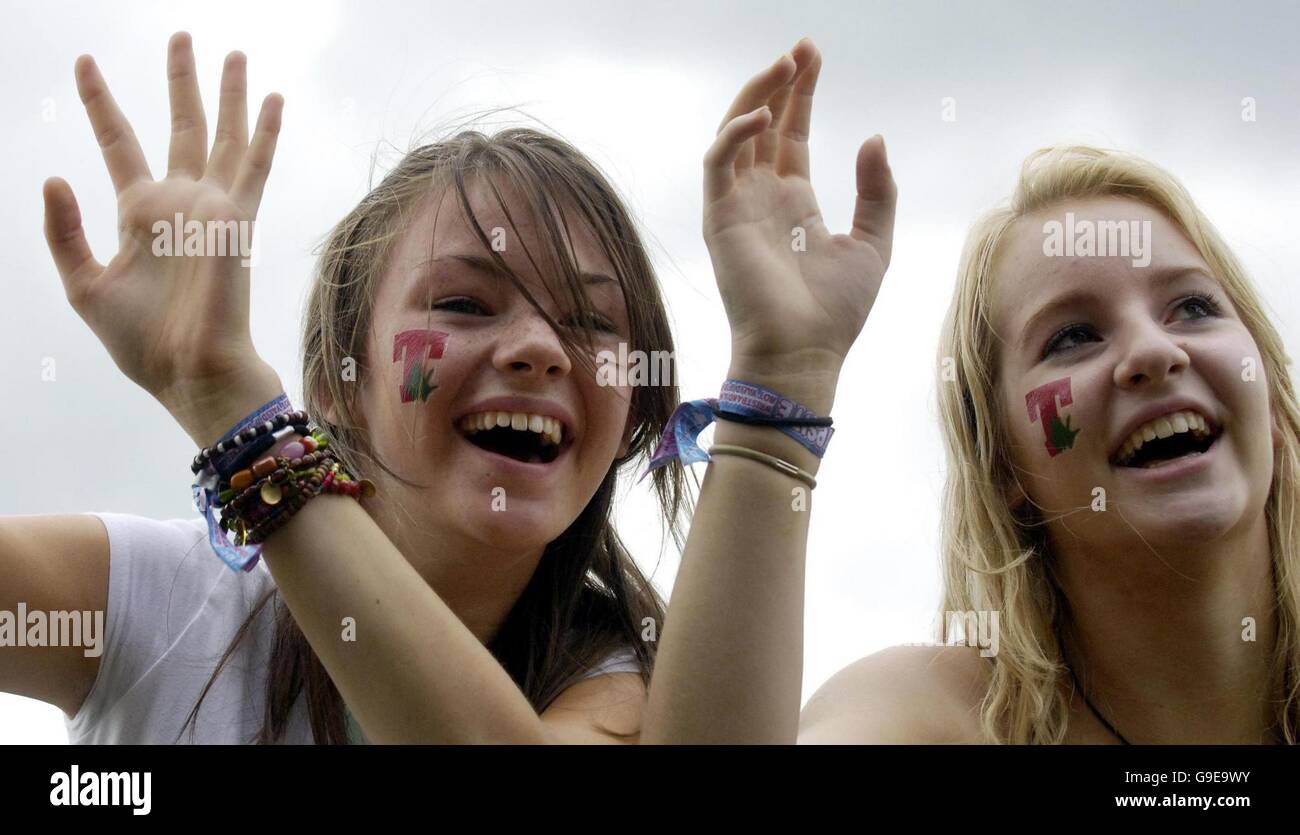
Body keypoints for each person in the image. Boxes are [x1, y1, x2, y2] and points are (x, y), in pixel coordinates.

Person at [13, 32, 897, 744]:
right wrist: (217, 392)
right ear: (337, 383)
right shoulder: (161, 598)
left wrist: (787, 366)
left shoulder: (618, 681)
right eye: (465, 302)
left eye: (590, 323)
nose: (538, 349)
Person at [801, 145, 1299, 744]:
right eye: (1072, 337)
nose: (1153, 352)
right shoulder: (927, 716)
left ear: (1268, 396)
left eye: (1192, 306)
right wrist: (783, 372)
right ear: (1005, 468)